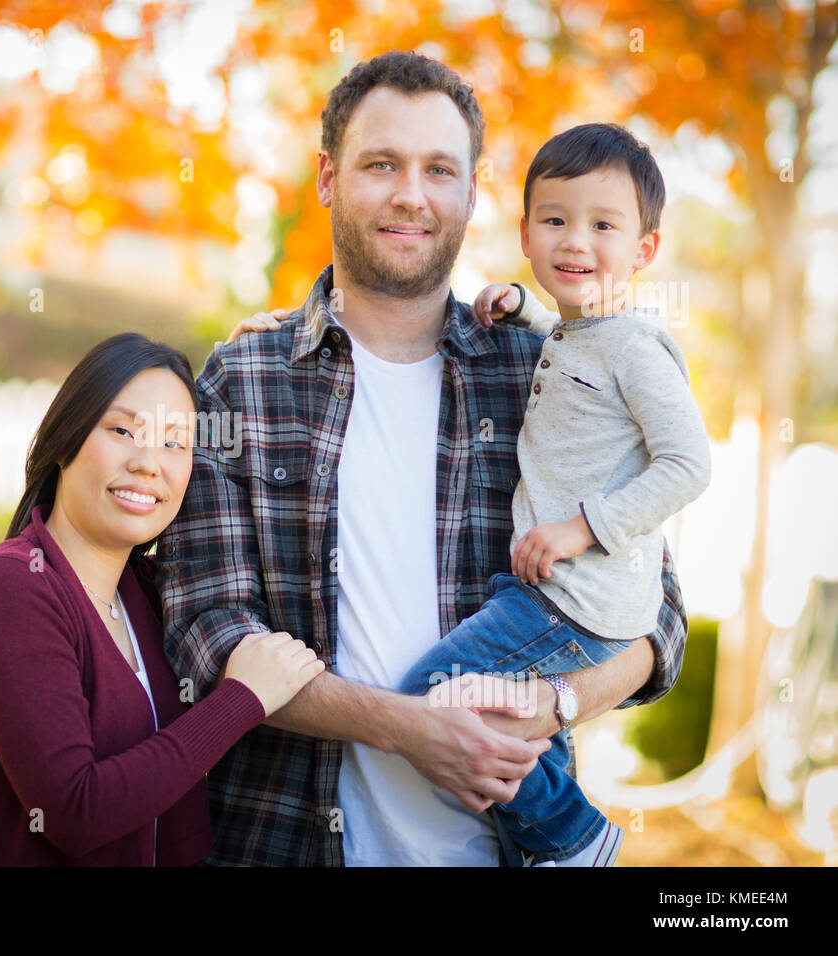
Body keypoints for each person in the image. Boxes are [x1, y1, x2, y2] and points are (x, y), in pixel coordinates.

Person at [156, 50, 691, 867]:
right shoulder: (246, 380)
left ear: (472, 194)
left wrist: (552, 702)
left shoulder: (541, 369)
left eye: (439, 169)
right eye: (381, 164)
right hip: (285, 842)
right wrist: (413, 728)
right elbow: (207, 630)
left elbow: (657, 613)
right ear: (329, 179)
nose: (411, 194)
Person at [388, 122, 712, 866]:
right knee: (511, 715)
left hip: (575, 597)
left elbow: (688, 464)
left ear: (644, 250)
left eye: (603, 225)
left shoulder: (635, 347)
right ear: (527, 234)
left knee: (431, 692)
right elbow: (574, 351)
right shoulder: (577, 331)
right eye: (556, 220)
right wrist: (522, 311)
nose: (575, 241)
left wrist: (581, 529)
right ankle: (545, 849)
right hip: (546, 589)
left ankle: (572, 835)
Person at [0, 332, 324, 866]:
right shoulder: (8, 591)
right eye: (123, 430)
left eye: (175, 442)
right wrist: (242, 699)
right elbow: (76, 811)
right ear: (65, 439)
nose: (148, 463)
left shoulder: (155, 595)